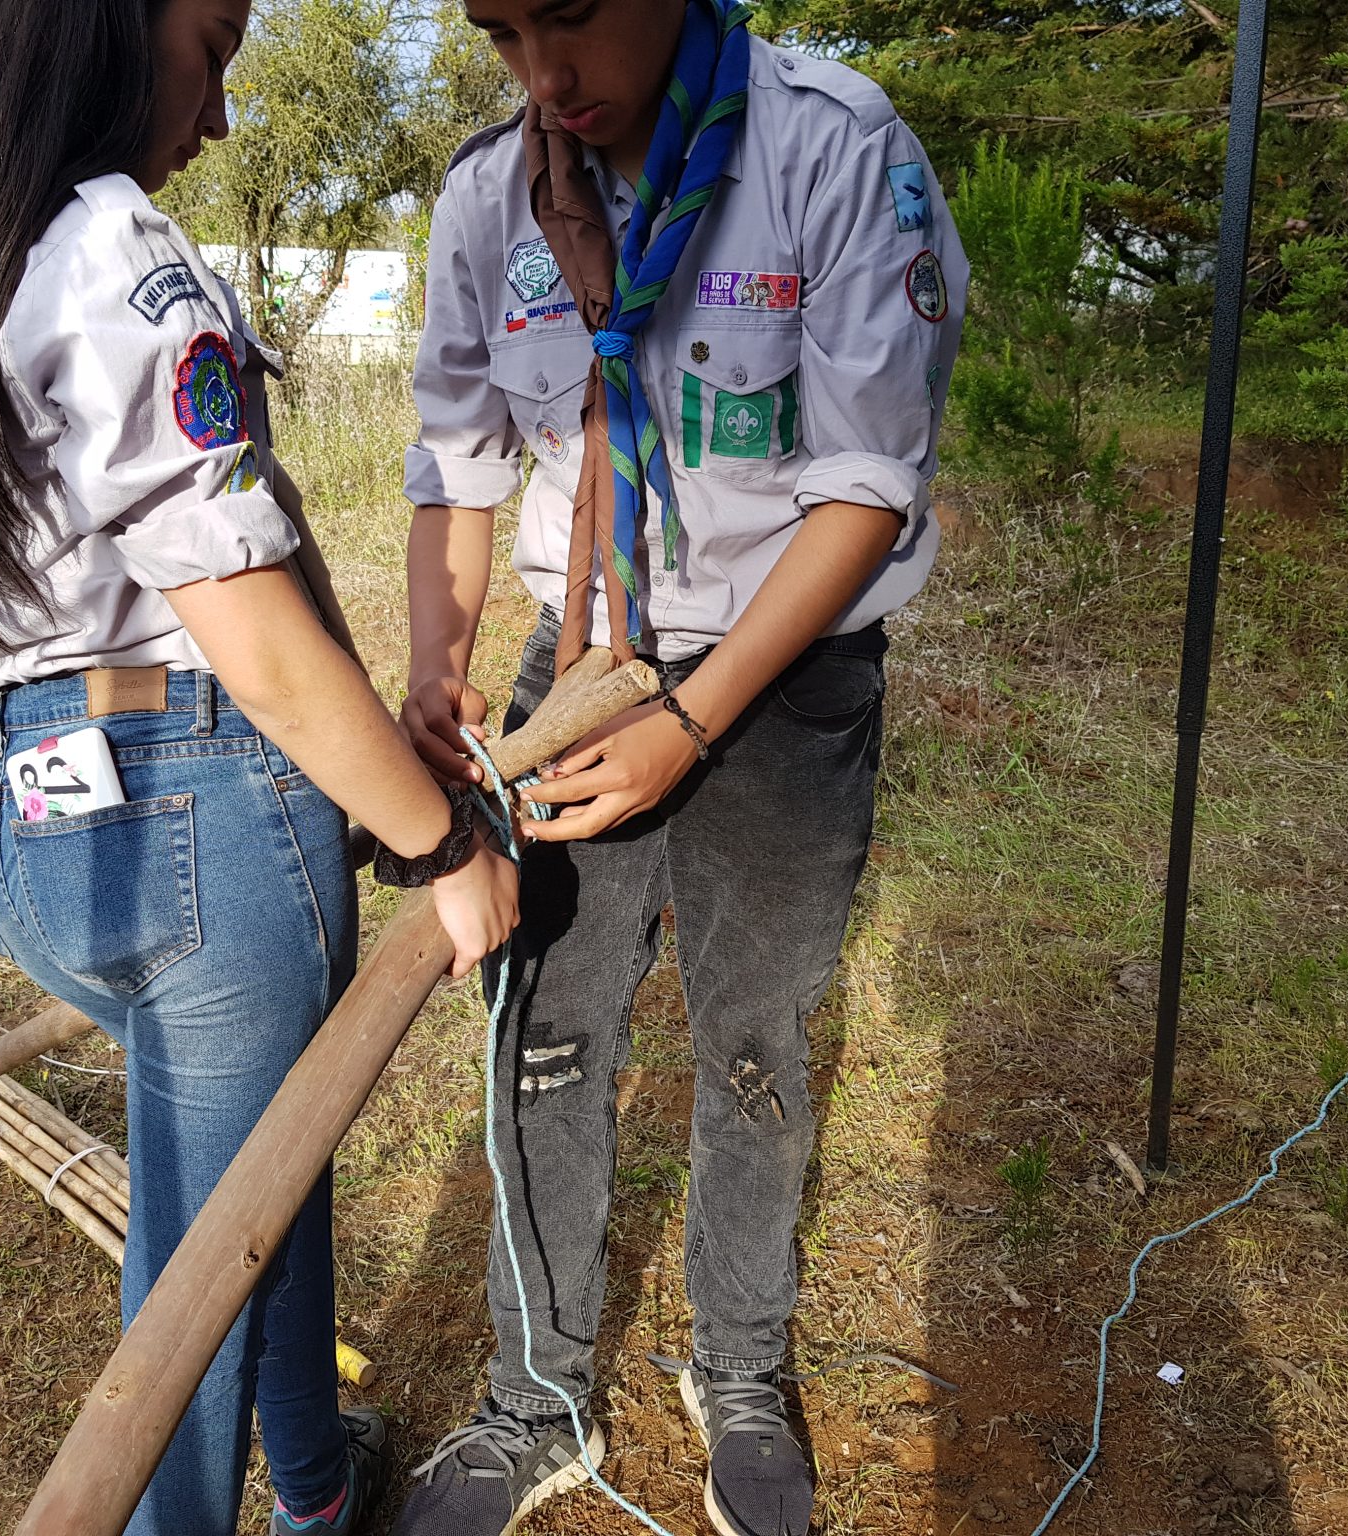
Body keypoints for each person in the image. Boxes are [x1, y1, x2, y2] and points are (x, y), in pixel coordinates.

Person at [0, 1, 520, 1532]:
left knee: (257, 1175)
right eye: (216, 43)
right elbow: (246, 627)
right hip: (202, 811)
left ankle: (316, 1481)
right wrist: (441, 842)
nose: (222, 113)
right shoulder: (113, 242)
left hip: (36, 815)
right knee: (197, 1272)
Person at [394, 0, 967, 1529]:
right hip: (574, 674)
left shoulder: (833, 154)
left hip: (774, 677)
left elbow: (865, 486)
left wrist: (696, 720)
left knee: (758, 1038)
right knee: (547, 1029)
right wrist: (437, 682)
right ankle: (539, 1392)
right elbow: (457, 468)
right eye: (504, 31)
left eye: (570, 17)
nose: (544, 77)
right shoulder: (487, 196)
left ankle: (743, 1362)